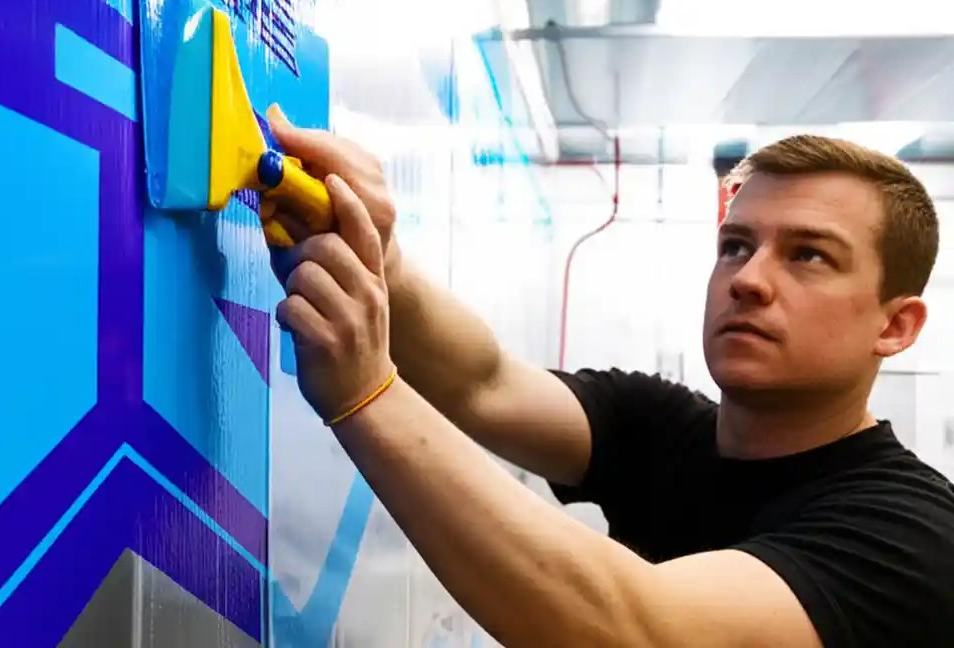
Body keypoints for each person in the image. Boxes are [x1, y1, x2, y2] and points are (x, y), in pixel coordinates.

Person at [260, 104, 954, 648]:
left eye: (808, 256)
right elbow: (484, 383)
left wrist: (368, 400)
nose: (748, 280)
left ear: (896, 326)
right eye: (736, 245)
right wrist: (380, 259)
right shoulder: (665, 425)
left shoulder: (910, 535)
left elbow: (638, 630)